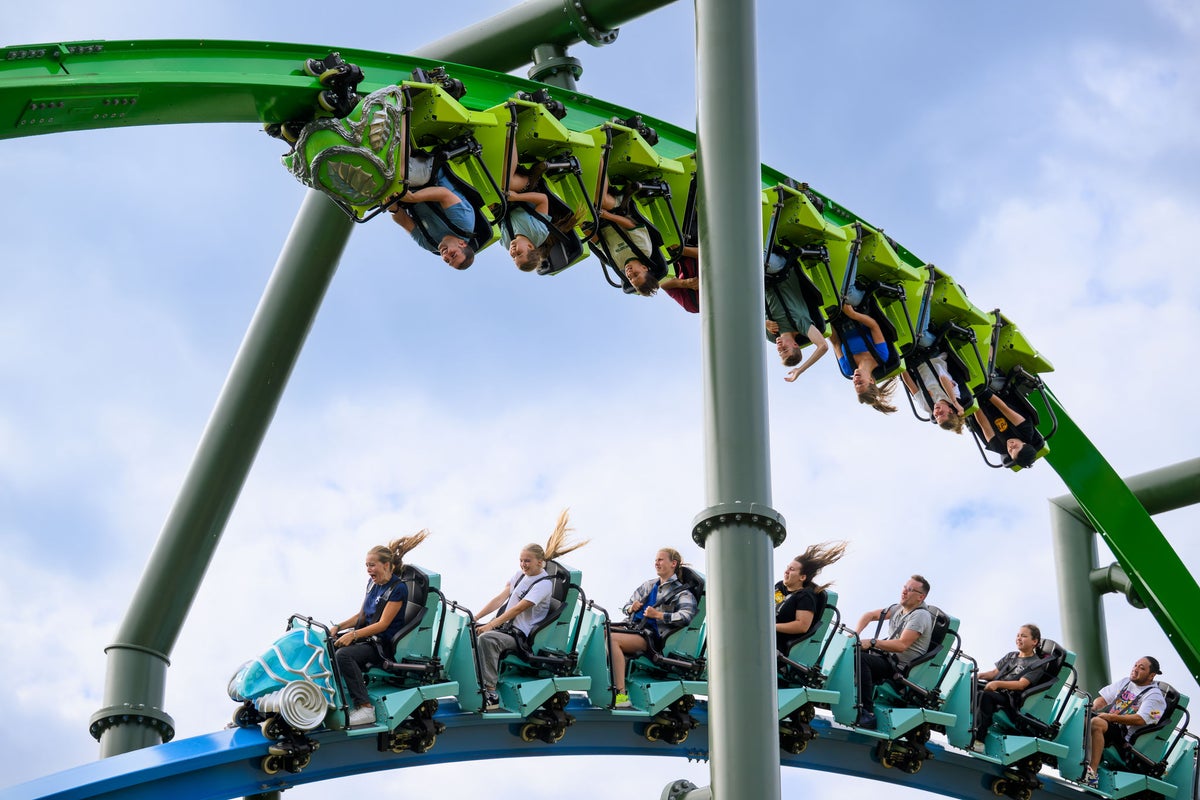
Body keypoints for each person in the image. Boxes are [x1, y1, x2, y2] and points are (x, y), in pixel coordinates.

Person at [474, 510, 588, 711]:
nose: (523, 564)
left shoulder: (543, 584)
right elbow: (500, 599)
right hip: (505, 628)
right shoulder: (519, 575)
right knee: (471, 632)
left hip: (520, 637)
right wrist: (476, 617)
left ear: (539, 562)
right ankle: (475, 683)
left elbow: (518, 609)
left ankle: (491, 692)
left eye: (527, 561)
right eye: (521, 560)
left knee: (487, 639)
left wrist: (490, 626)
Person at [330, 529, 430, 727]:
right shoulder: (372, 584)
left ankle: (365, 708)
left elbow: (383, 624)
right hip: (366, 638)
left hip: (382, 645)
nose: (368, 569)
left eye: (372, 565)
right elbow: (362, 616)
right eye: (366, 565)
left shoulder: (398, 589)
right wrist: (339, 627)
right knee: (329, 644)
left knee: (344, 656)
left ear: (386, 565)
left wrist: (353, 635)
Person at [608, 548, 698, 709]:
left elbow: (686, 616)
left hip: (651, 639)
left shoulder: (683, 593)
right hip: (632, 628)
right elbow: (626, 606)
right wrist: (631, 608)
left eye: (661, 560)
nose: (656, 563)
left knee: (612, 639)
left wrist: (659, 615)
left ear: (673, 563)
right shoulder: (648, 585)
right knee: (601, 631)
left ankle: (621, 696)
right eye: (656, 560)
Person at [853, 574, 935, 729]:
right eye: (905, 587)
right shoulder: (899, 608)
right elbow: (870, 615)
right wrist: (856, 633)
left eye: (910, 589)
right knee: (853, 651)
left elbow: (902, 645)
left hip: (898, 668)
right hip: (886, 658)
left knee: (861, 659)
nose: (904, 591)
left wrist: (872, 642)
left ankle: (867, 713)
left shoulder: (920, 616)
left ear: (921, 597)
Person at [1082, 656, 1168, 788]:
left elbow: (1141, 719)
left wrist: (1111, 717)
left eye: (1141, 668)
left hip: (1124, 737)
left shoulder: (1155, 696)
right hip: (1110, 724)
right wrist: (1093, 707)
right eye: (1135, 665)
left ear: (1151, 675)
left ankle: (1091, 776)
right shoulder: (1126, 682)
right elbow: (1103, 699)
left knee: (1096, 723)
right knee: (1082, 715)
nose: (1135, 669)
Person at [970, 624, 1047, 752]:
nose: (1019, 638)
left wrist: (997, 684)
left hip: (1010, 698)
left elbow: (1022, 684)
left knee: (985, 696)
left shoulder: (1036, 664)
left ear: (1034, 641)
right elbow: (994, 673)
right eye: (1018, 635)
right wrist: (979, 675)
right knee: (970, 684)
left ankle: (979, 739)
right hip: (997, 690)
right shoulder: (1011, 656)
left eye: (1023, 636)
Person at [389, 165, 478, 269]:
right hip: (430, 175)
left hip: (406, 193)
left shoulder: (430, 244)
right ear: (462, 244)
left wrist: (393, 209)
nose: (445, 256)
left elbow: (404, 221)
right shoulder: (464, 224)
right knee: (395, 173)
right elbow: (444, 194)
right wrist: (413, 198)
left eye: (447, 261)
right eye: (453, 255)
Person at [774, 541, 848, 652]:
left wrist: (771, 627)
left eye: (792, 570)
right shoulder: (781, 587)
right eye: (787, 568)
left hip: (777, 643)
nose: (786, 571)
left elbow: (802, 626)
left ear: (802, 577)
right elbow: (777, 606)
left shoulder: (805, 596)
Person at [764, 260, 829, 382]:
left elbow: (745, 320)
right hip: (780, 270)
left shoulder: (770, 335)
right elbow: (823, 346)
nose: (779, 348)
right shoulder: (801, 325)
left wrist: (763, 323)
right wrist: (800, 370)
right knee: (758, 260)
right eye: (785, 349)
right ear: (795, 345)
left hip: (759, 282)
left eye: (780, 352)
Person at [828, 300, 898, 413]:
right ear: (871, 380)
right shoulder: (881, 356)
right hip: (857, 309)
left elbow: (836, 343)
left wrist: (826, 321)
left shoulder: (847, 368)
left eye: (855, 384)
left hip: (836, 318)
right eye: (860, 383)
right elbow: (874, 326)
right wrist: (852, 314)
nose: (855, 380)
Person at [972, 387, 1044, 468]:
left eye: (1010, 451)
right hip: (998, 395)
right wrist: (984, 391)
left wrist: (973, 399)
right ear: (1024, 444)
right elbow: (1004, 408)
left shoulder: (998, 447)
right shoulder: (1026, 431)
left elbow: (984, 424)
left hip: (981, 406)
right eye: (1015, 447)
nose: (1010, 447)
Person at [900, 352, 966, 433]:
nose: (937, 412)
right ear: (950, 411)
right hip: (933, 356)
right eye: (941, 413)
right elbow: (943, 378)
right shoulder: (954, 396)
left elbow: (911, 385)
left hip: (914, 365)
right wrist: (955, 402)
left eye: (936, 416)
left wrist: (901, 366)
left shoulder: (926, 406)